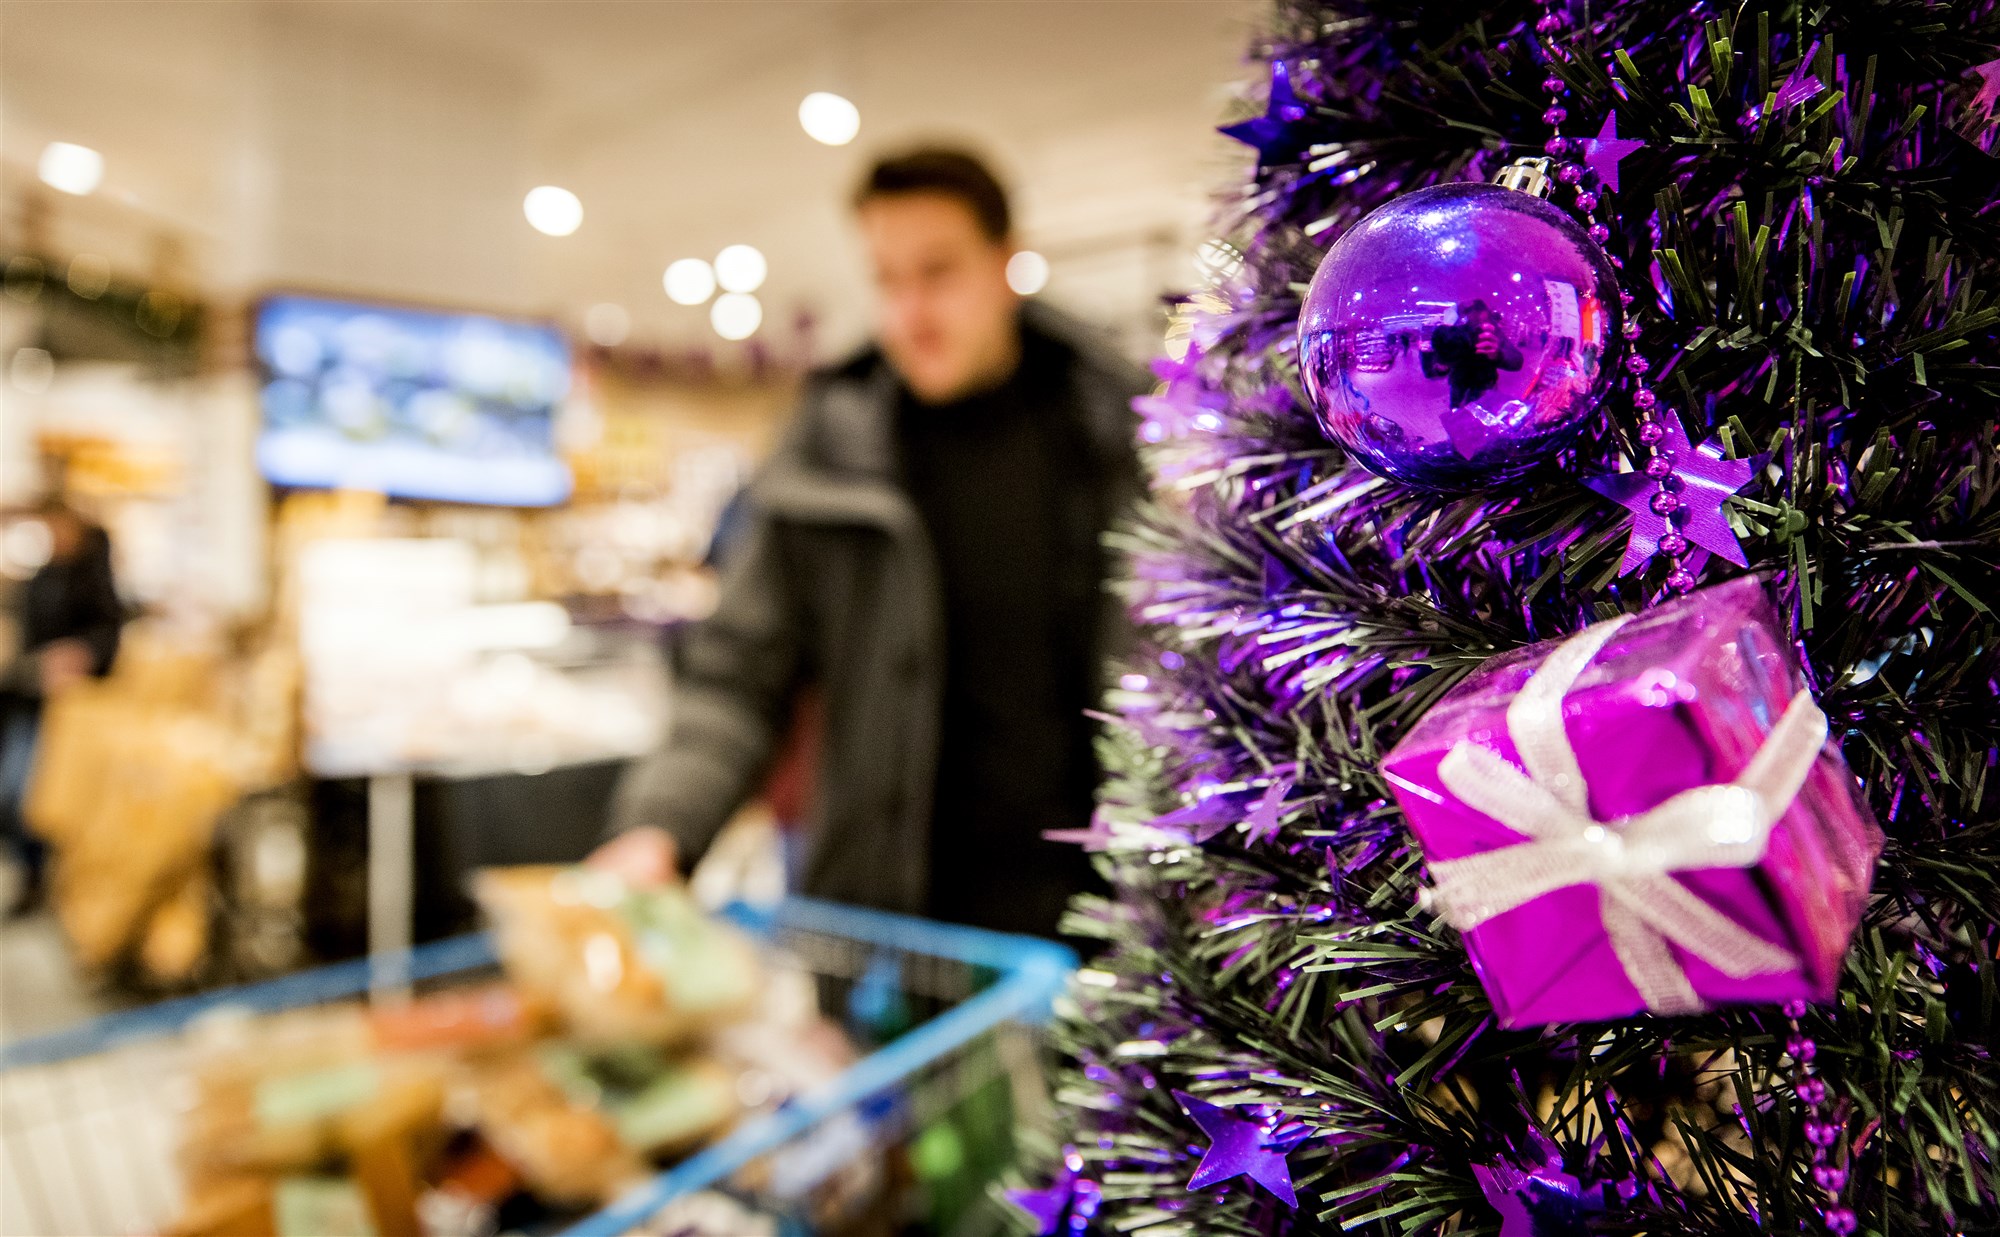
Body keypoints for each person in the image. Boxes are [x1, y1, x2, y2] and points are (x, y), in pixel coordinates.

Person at [598, 147, 1146, 937]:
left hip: (1099, 925)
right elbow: (736, 674)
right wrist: (658, 830)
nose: (909, 313)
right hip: (890, 929)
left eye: (938, 272)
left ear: (1006, 263)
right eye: (887, 279)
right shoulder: (826, 449)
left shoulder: (1114, 429)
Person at [0, 497, 125, 915]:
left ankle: (46, 881)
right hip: (30, 697)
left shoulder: (91, 578)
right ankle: (34, 877)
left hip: (75, 712)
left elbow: (109, 637)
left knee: (43, 795)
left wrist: (81, 654)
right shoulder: (41, 574)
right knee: (19, 792)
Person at [1421, 299, 1523, 408]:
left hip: (1484, 386)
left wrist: (1497, 355)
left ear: (1486, 313)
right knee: (1457, 417)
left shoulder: (1492, 333)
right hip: (1459, 385)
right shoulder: (1458, 332)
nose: (1474, 316)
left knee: (1484, 416)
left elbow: (1517, 361)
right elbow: (1436, 368)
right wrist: (1442, 363)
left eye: (1478, 312)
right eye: (1469, 312)